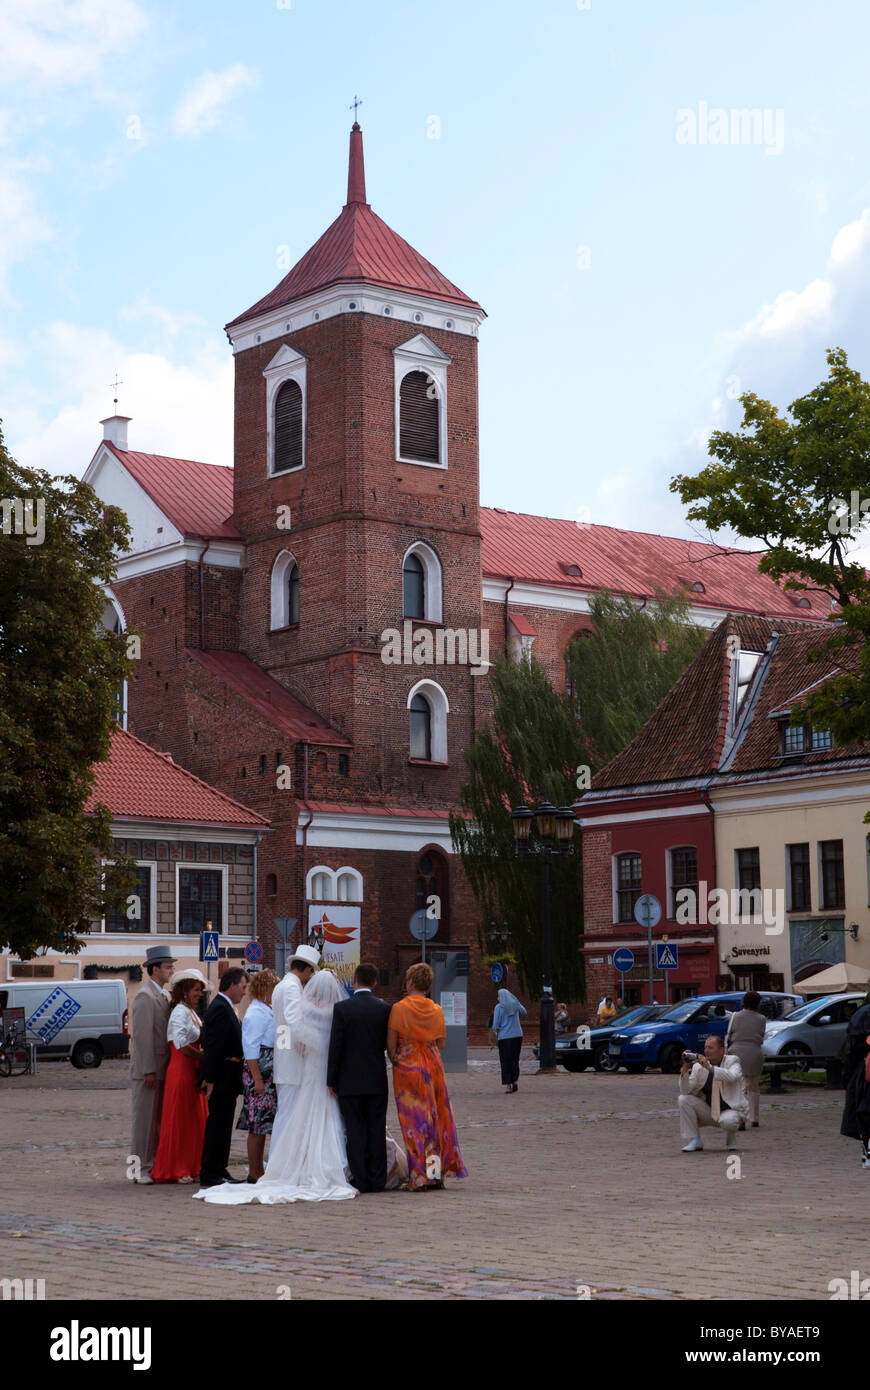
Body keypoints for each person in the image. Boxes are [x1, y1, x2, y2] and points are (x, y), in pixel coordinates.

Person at [195, 968, 357, 1204]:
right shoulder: (261, 1012)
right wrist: (258, 1078)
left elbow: (291, 1034)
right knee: (261, 1123)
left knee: (285, 1119)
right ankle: (248, 1170)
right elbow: (252, 1046)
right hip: (277, 1073)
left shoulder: (293, 1011)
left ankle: (251, 1169)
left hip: (303, 1070)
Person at [387, 962, 467, 1191]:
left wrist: (398, 1059)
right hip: (433, 1067)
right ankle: (434, 1175)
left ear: (410, 981)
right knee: (435, 1122)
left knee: (413, 1124)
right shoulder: (436, 1010)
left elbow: (391, 1045)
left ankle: (418, 1177)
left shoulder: (399, 1009)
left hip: (408, 1069)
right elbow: (441, 1043)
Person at [327, 962, 392, 1193]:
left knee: (354, 1130)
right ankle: (378, 1180)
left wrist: (331, 1079)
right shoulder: (384, 1009)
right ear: (374, 982)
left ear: (354, 981)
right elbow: (388, 1043)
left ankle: (360, 1179)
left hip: (349, 1079)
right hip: (376, 1078)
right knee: (376, 1128)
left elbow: (336, 1045)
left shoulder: (343, 1008)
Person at [152, 969, 209, 1183]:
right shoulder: (180, 1012)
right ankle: (178, 1167)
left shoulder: (189, 1011)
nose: (199, 994)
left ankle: (191, 1164)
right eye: (196, 990)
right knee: (180, 1120)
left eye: (200, 990)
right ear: (185, 991)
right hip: (182, 1070)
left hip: (190, 1069)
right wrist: (202, 1055)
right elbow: (180, 1043)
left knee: (191, 1120)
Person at [198, 967, 248, 1188]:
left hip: (229, 1076)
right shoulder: (219, 1008)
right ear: (232, 985)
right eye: (243, 987)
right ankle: (210, 1171)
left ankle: (220, 1167)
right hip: (221, 1077)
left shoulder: (225, 1007)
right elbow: (213, 1047)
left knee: (224, 1124)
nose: (244, 993)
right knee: (218, 1124)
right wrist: (210, 1078)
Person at [129, 946, 175, 1185]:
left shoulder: (164, 996)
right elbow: (142, 1037)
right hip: (148, 1070)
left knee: (155, 1122)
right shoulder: (145, 997)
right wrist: (148, 1069)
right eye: (168, 966)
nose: (171, 970)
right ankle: (136, 1169)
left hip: (161, 1068)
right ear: (154, 969)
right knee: (143, 1123)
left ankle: (152, 1164)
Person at [269, 944, 320, 1150]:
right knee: (288, 1116)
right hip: (292, 1061)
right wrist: (316, 1042)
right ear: (307, 969)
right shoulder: (291, 987)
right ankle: (279, 1163)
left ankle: (280, 1162)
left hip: (286, 1057)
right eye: (311, 972)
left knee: (287, 1115)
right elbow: (293, 1022)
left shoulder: (283, 985)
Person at [235, 968, 280, 1182]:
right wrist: (258, 1079)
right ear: (265, 989)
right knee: (256, 1124)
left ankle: (258, 1169)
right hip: (259, 1070)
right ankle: (254, 1171)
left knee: (262, 1124)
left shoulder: (265, 1009)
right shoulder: (256, 1012)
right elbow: (250, 1048)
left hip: (266, 1069)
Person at [678, 1034, 748, 1152]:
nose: (706, 1051)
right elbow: (686, 1090)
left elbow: (732, 1077)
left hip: (730, 1110)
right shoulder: (698, 1067)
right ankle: (695, 1140)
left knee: (729, 1121)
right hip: (709, 1111)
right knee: (683, 1099)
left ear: (721, 1050)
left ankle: (731, 1138)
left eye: (710, 1048)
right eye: (705, 1047)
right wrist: (685, 1068)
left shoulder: (733, 1060)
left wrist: (710, 1068)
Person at [725, 990, 766, 1128]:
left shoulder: (735, 1016)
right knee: (754, 1087)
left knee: (740, 1087)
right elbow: (761, 1037)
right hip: (755, 1053)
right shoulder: (761, 1019)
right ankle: (755, 1118)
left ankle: (741, 1118)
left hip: (736, 1052)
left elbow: (729, 1035)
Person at [840, 992, 870, 1169]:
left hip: (864, 1071)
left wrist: (847, 1076)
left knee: (865, 1113)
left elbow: (851, 1050)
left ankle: (867, 1150)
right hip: (865, 1069)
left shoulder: (862, 1014)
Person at [490, 988, 526, 1093]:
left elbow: (495, 1024)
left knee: (505, 1060)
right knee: (515, 1059)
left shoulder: (499, 1007)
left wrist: (496, 1031)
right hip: (517, 1036)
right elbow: (524, 1012)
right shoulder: (515, 1004)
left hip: (505, 1037)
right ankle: (515, 1081)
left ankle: (509, 1084)